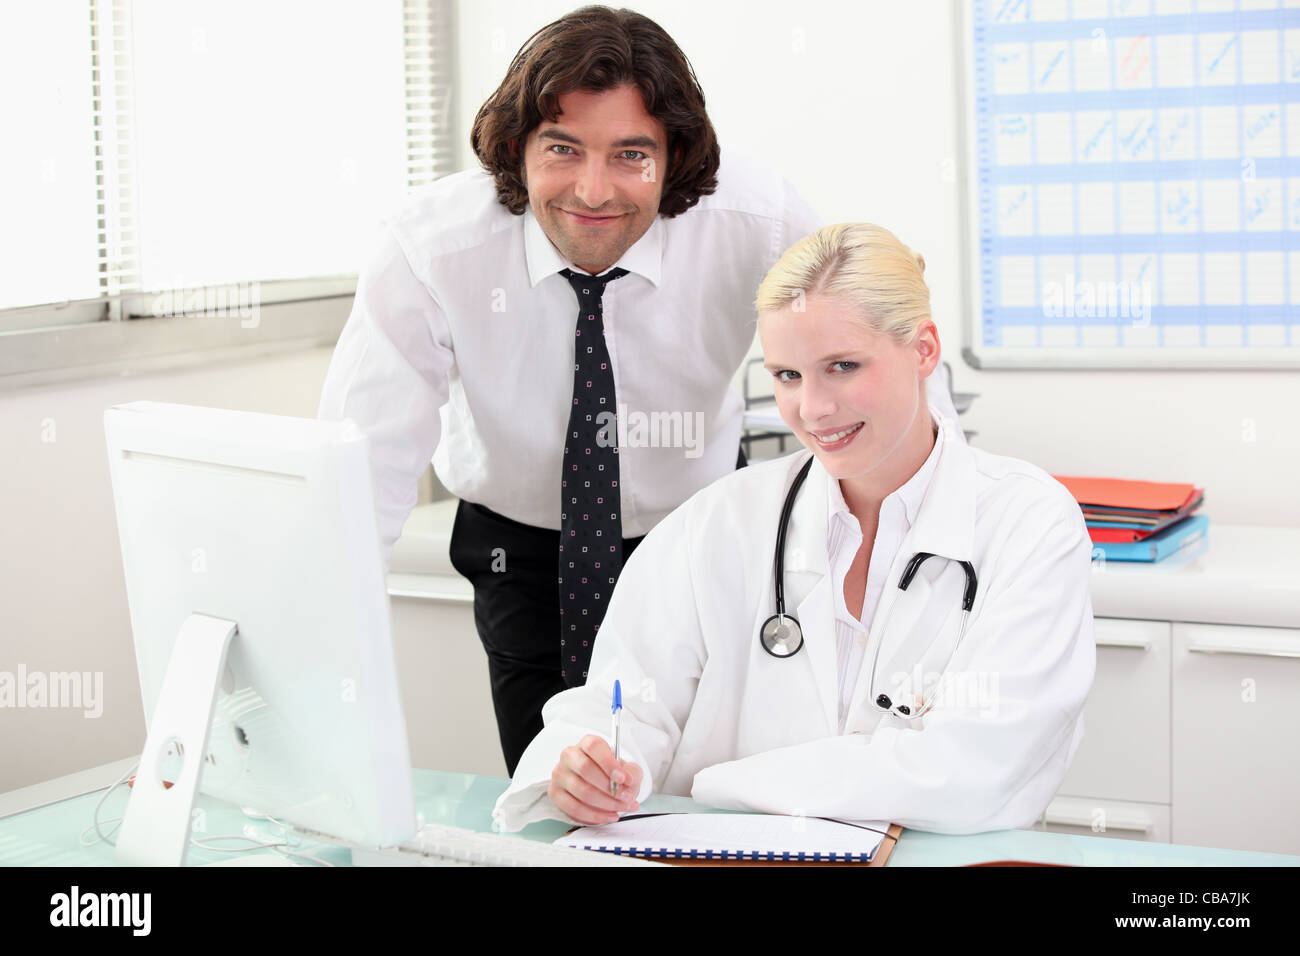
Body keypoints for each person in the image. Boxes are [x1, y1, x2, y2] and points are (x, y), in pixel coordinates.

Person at [318, 5, 961, 775]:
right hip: (521, 550)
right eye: (563, 148)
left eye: (631, 154)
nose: (594, 190)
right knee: (561, 786)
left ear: (676, 154)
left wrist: (952, 527)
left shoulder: (755, 220)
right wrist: (318, 641)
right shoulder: (430, 250)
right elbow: (362, 464)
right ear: (517, 149)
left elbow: (877, 343)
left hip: (706, 536)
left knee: (708, 779)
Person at [492, 223, 1096, 834]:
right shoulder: (720, 520)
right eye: (787, 375)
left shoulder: (1029, 523)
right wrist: (592, 766)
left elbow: (976, 766)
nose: (812, 408)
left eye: (841, 366)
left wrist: (717, 784)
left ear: (923, 350)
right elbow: (626, 705)